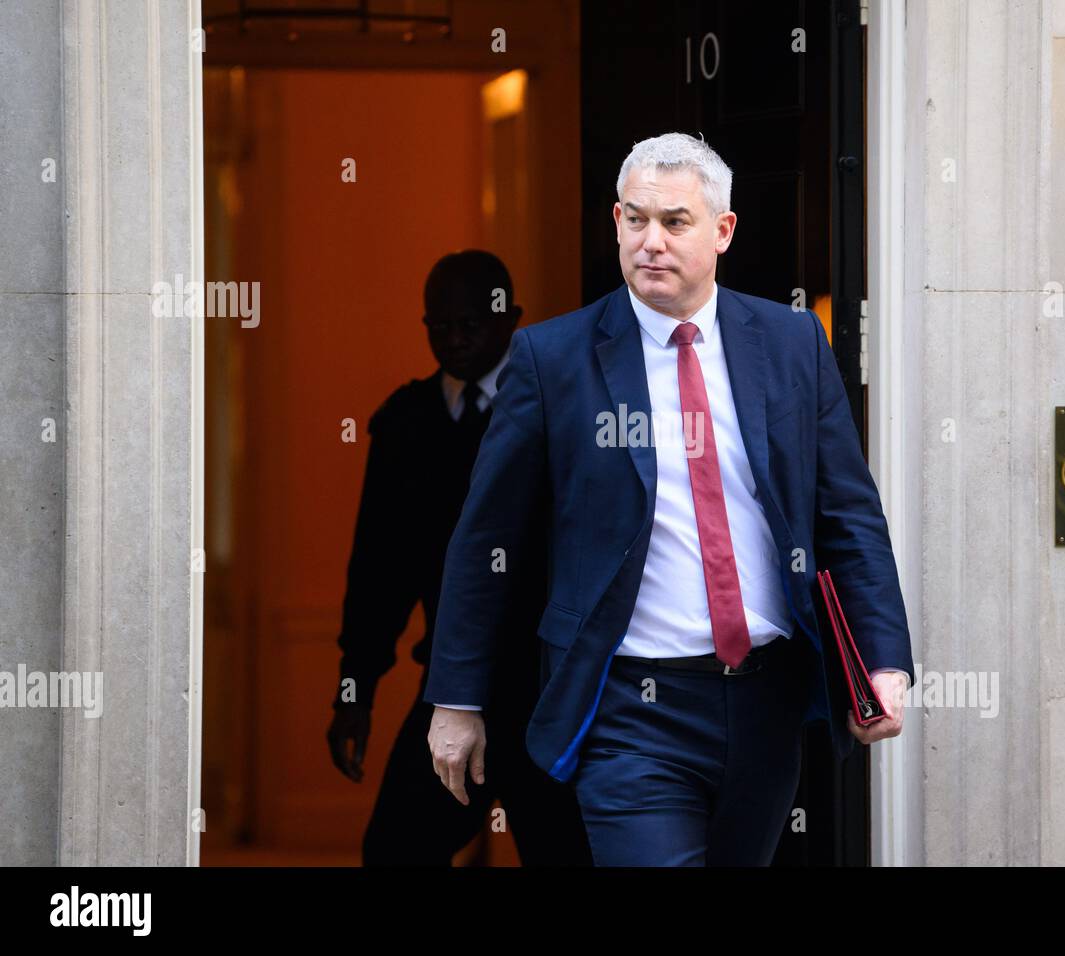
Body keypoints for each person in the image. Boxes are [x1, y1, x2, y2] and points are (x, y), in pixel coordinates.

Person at [424, 134, 914, 866]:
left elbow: (848, 514)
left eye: (675, 222)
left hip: (765, 699)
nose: (650, 241)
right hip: (630, 708)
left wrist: (884, 661)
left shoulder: (791, 343)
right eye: (634, 219)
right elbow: (484, 537)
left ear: (722, 231)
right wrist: (456, 696)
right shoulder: (552, 359)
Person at [327, 249, 591, 866]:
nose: (454, 340)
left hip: (546, 688)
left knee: (566, 855)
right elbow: (378, 573)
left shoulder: (558, 410)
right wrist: (354, 688)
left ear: (510, 318)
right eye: (439, 327)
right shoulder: (405, 423)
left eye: (470, 324)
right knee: (395, 851)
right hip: (449, 680)